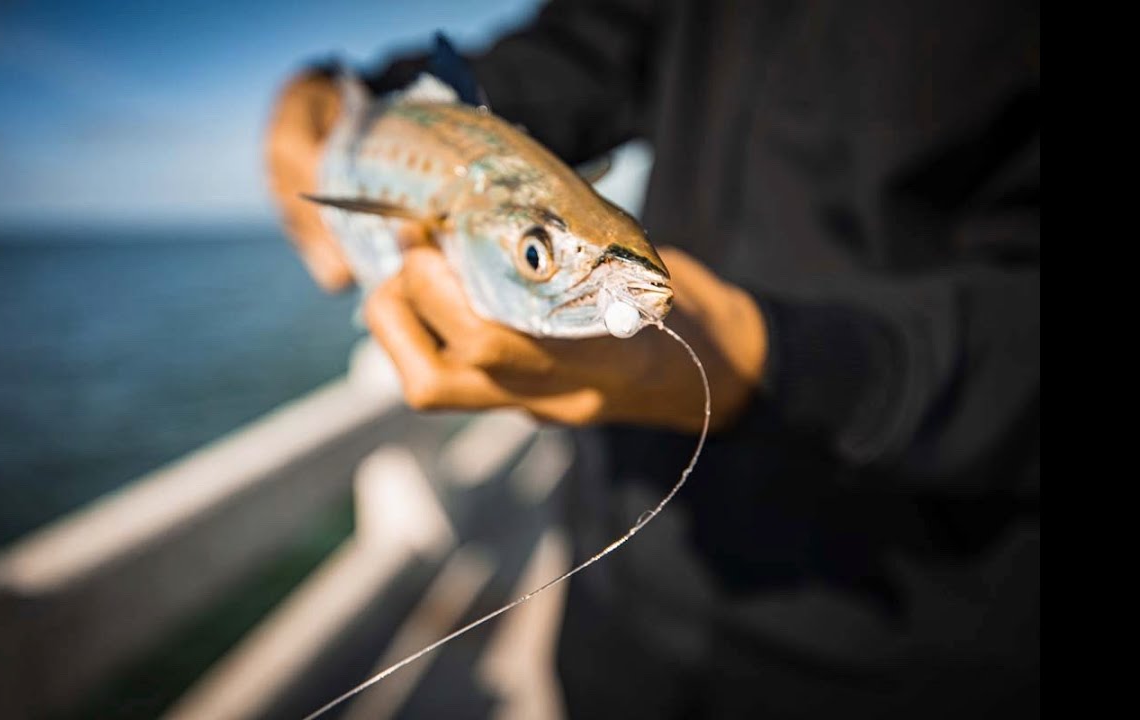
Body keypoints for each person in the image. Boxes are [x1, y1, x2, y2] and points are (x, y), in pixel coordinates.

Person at [266, 0, 1040, 717]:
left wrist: (779, 357)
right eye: (538, 255)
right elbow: (568, 57)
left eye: (535, 254)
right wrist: (335, 98)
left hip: (894, 667)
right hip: (612, 638)